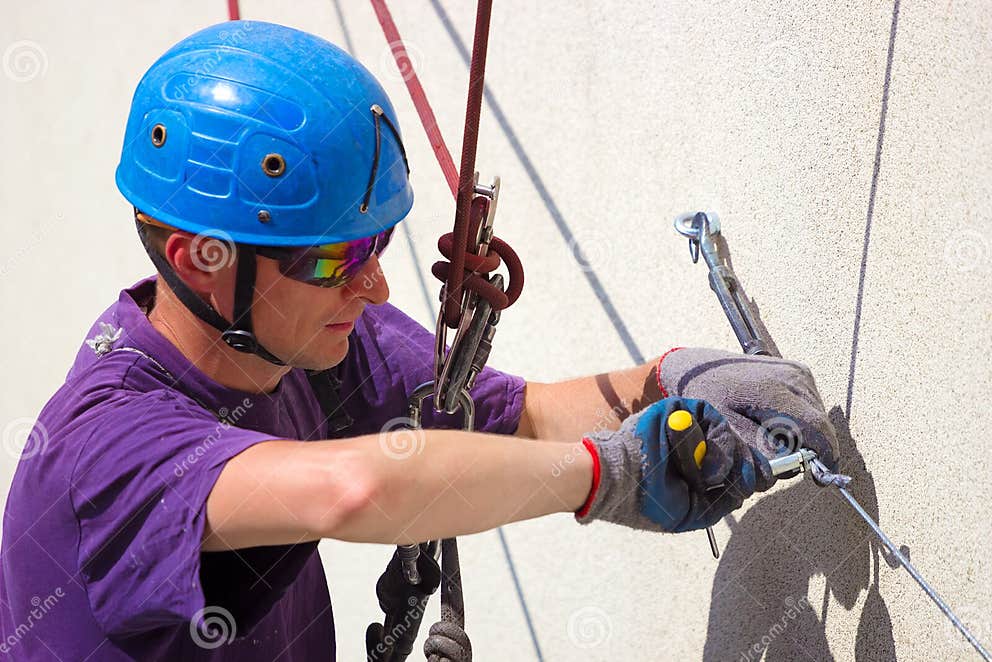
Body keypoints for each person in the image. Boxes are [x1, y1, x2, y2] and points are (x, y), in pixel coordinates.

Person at [0, 20, 838, 661]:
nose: (375, 287)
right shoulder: (105, 448)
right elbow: (357, 491)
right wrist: (609, 477)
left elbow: (523, 419)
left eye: (373, 248)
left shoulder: (297, 339)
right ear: (201, 261)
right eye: (336, 259)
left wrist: (670, 379)